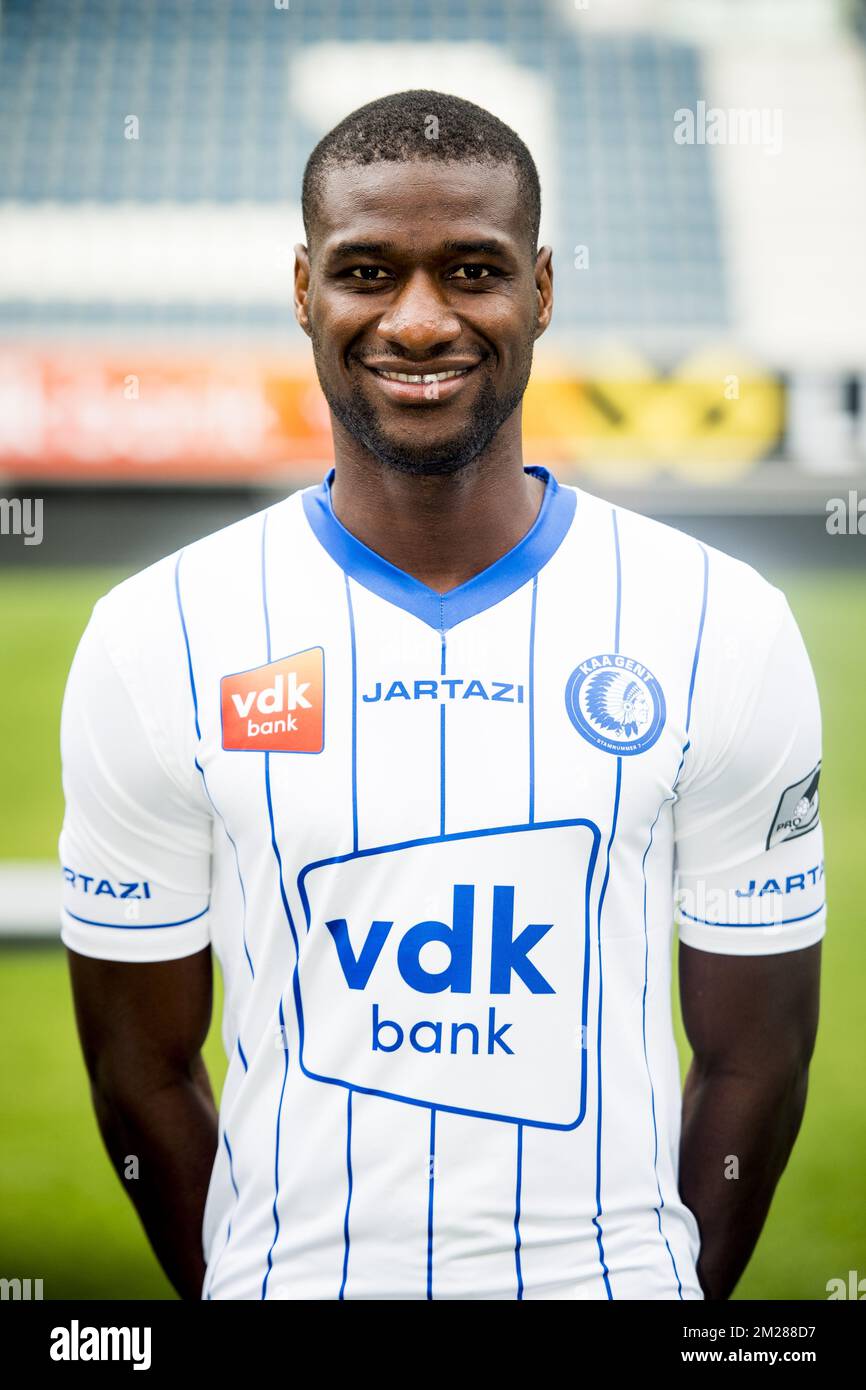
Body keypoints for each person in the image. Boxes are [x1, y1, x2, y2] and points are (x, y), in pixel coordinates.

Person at [59, 90, 825, 1301]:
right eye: (367, 272)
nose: (418, 323)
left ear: (543, 289)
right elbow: (137, 1070)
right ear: (304, 288)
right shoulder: (155, 636)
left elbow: (755, 1056)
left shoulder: (718, 625)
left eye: (473, 270)